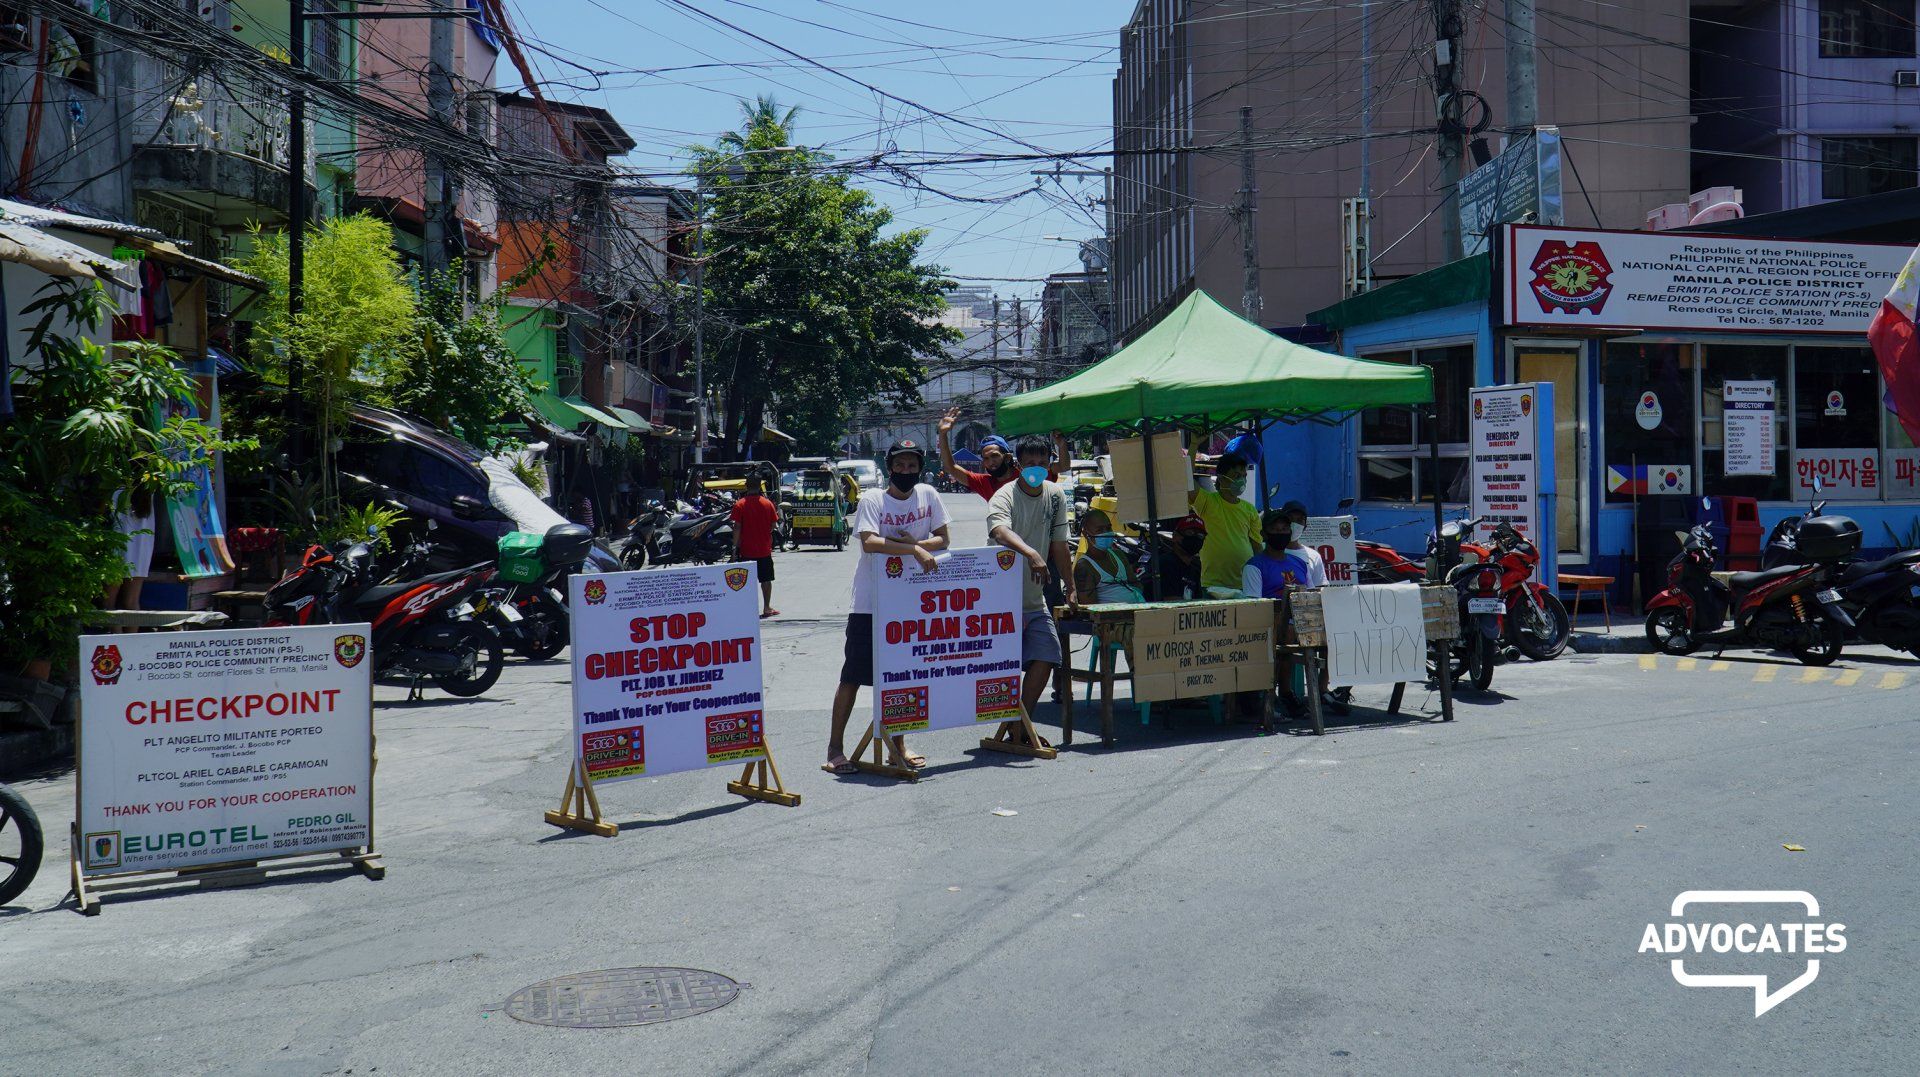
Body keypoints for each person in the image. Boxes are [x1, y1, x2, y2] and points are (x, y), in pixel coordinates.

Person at [824, 440, 951, 775]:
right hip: (870, 603)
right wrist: (914, 551)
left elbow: (943, 538)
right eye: (900, 465)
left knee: (901, 677)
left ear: (919, 468)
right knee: (852, 676)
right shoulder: (873, 499)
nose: (905, 472)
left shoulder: (928, 495)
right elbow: (870, 541)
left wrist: (917, 546)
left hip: (909, 604)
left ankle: (900, 745)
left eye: (912, 466)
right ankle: (835, 748)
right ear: (889, 467)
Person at [986, 437, 1077, 745]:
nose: (1036, 469)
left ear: (1050, 464)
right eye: (1030, 463)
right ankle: (1017, 727)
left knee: (1049, 654)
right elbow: (1000, 530)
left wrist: (1071, 586)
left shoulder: (1054, 495)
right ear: (1018, 465)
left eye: (1042, 463)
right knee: (1006, 665)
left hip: (1033, 598)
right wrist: (1031, 554)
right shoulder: (1004, 495)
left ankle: (1020, 724)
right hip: (1000, 599)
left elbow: (1060, 544)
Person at [1241, 509, 1346, 719]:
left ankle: (1323, 690)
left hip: (1303, 621)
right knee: (1287, 630)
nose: (1281, 533)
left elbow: (1312, 595)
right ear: (1264, 534)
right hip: (1273, 625)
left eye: (1284, 529)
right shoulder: (1254, 566)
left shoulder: (1299, 563)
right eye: (1275, 529)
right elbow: (1255, 606)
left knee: (1338, 629)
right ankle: (1286, 692)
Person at [937, 406, 1069, 500]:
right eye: (986, 458)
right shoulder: (984, 483)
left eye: (994, 456)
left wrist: (1062, 445)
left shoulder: (1029, 473)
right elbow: (951, 468)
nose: (990, 462)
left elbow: (1063, 466)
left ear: (1007, 457)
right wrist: (943, 434)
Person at [1187, 454, 1262, 597]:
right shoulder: (1208, 502)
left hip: (1244, 584)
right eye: (1236, 475)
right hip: (1213, 585)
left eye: (1243, 476)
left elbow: (1257, 547)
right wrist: (1194, 444)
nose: (1241, 480)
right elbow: (1187, 479)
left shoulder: (1250, 510)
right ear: (1221, 478)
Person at [729, 474, 780, 618]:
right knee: (766, 580)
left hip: (746, 551)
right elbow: (773, 525)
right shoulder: (768, 503)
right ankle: (767, 607)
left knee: (746, 583)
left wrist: (734, 550)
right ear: (759, 486)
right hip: (764, 550)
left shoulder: (740, 504)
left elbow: (737, 527)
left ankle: (748, 609)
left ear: (746, 485)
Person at [1072, 509, 1145, 605]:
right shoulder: (1084, 566)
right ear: (1086, 534)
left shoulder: (1119, 555)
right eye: (1100, 530)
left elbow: (1136, 584)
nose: (1106, 533)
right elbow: (1089, 606)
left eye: (1108, 528)